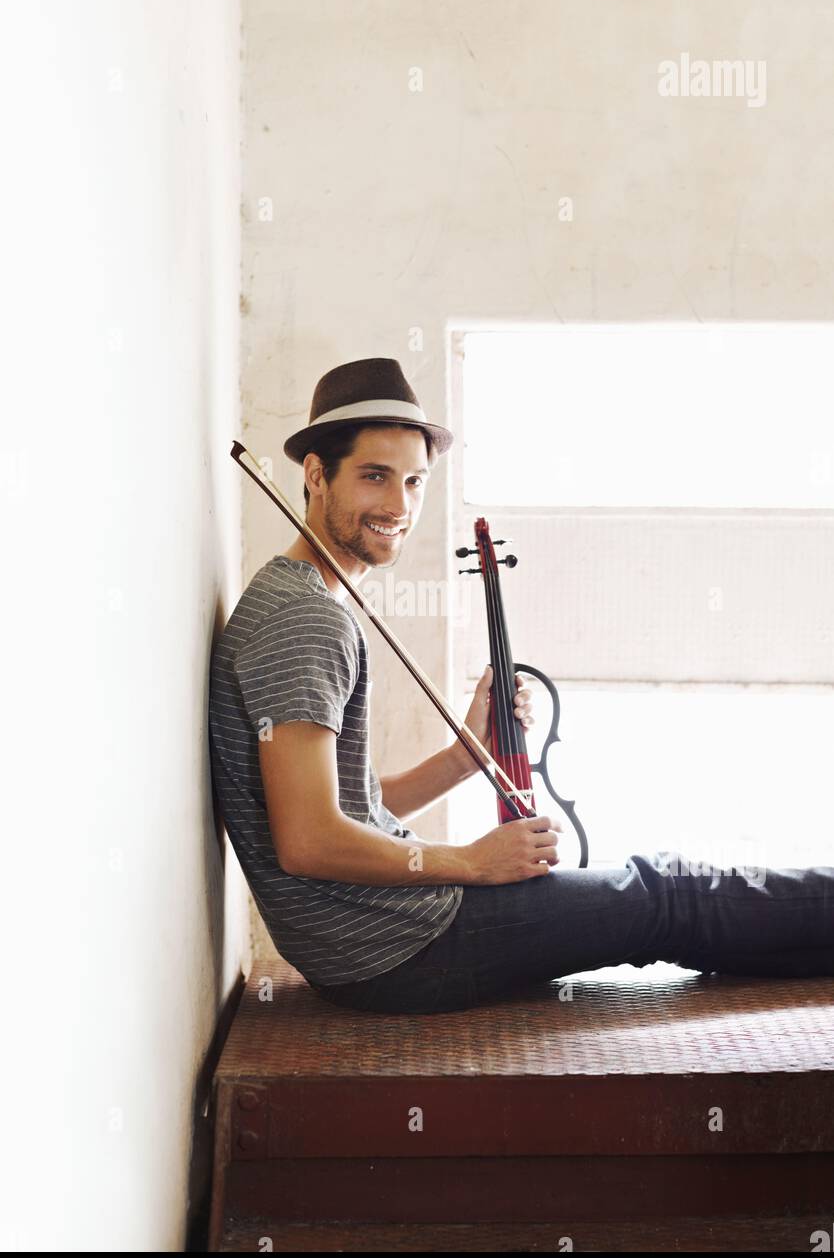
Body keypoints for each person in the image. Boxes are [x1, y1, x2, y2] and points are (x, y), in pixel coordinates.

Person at [208, 357, 834, 1014]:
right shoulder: (305, 619)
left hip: (374, 941)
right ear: (315, 474)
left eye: (415, 481)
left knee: (661, 897)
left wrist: (462, 758)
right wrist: (471, 863)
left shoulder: (298, 600)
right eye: (374, 477)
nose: (399, 506)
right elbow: (308, 839)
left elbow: (350, 806)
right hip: (399, 950)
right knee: (666, 894)